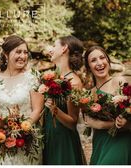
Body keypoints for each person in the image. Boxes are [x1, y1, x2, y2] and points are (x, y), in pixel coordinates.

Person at [0, 35, 44, 165]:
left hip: (27, 140)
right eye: (18, 52)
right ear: (6, 54)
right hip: (2, 140)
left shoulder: (33, 76)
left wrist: (21, 130)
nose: (23, 56)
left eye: (25, 52)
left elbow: (37, 110)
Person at [84, 46, 131, 165]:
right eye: (93, 60)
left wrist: (101, 124)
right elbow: (88, 123)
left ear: (108, 61)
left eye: (102, 58)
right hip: (99, 145)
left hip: (121, 144)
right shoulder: (89, 94)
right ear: (89, 67)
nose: (99, 63)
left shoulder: (122, 82)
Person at [43, 35, 85, 165]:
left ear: (64, 49)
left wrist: (54, 109)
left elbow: (72, 122)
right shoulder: (52, 76)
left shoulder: (74, 82)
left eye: (54, 46)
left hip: (63, 140)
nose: (51, 49)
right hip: (47, 135)